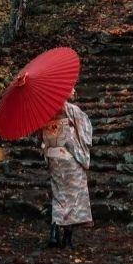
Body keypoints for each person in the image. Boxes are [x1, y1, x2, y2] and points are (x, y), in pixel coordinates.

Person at [40, 89, 92, 249]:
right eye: (71, 88)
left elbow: (42, 135)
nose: (74, 90)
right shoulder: (72, 110)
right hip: (69, 157)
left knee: (58, 194)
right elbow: (86, 133)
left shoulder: (45, 112)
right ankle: (67, 238)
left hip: (54, 156)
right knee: (73, 196)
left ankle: (54, 232)